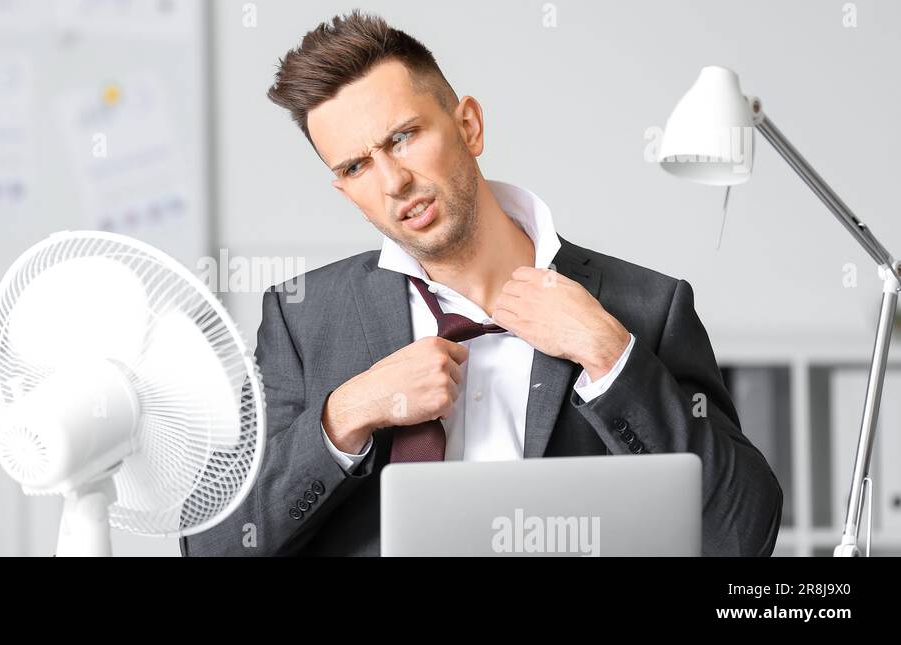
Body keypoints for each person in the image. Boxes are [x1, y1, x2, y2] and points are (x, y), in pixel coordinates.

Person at [182, 10, 782, 557]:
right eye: (356, 166)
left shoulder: (645, 307)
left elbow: (742, 533)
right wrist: (345, 416)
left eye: (403, 137)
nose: (392, 182)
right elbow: (211, 547)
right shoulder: (304, 320)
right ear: (344, 188)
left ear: (468, 126)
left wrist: (609, 355)